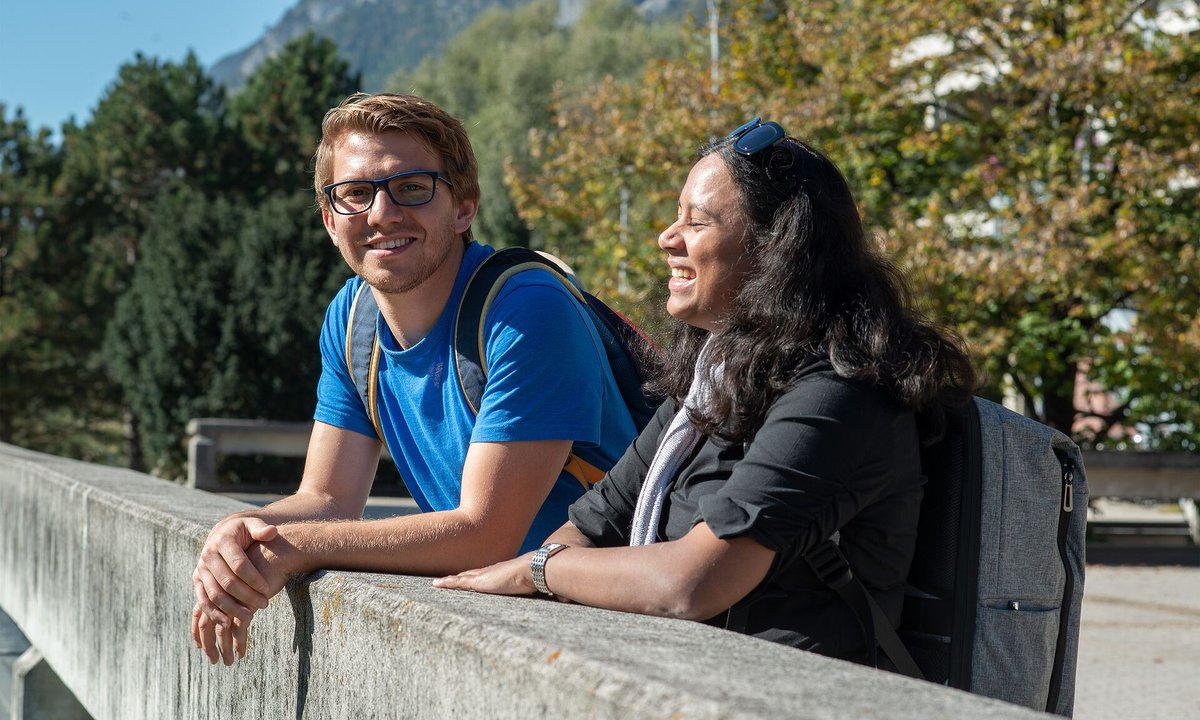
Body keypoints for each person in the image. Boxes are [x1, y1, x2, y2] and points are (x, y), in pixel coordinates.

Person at [434, 118, 977, 664]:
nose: (667, 238)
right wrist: (554, 563)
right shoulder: (708, 383)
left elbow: (693, 583)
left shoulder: (843, 394)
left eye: (697, 222)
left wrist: (538, 570)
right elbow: (588, 527)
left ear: (777, 247)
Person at [190, 92, 638, 665]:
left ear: (463, 207)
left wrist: (291, 545)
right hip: (504, 624)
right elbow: (326, 499)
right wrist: (238, 533)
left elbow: (487, 534)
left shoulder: (525, 309)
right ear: (330, 220)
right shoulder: (353, 320)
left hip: (614, 632)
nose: (381, 214)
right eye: (354, 194)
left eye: (412, 187)